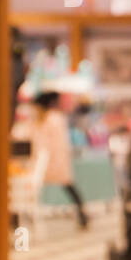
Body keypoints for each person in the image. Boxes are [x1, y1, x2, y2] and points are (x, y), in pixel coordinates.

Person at [33, 91, 87, 229]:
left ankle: (83, 215)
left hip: (49, 162)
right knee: (69, 187)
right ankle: (83, 215)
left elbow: (45, 144)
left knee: (66, 186)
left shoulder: (50, 119)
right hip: (54, 161)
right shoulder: (54, 118)